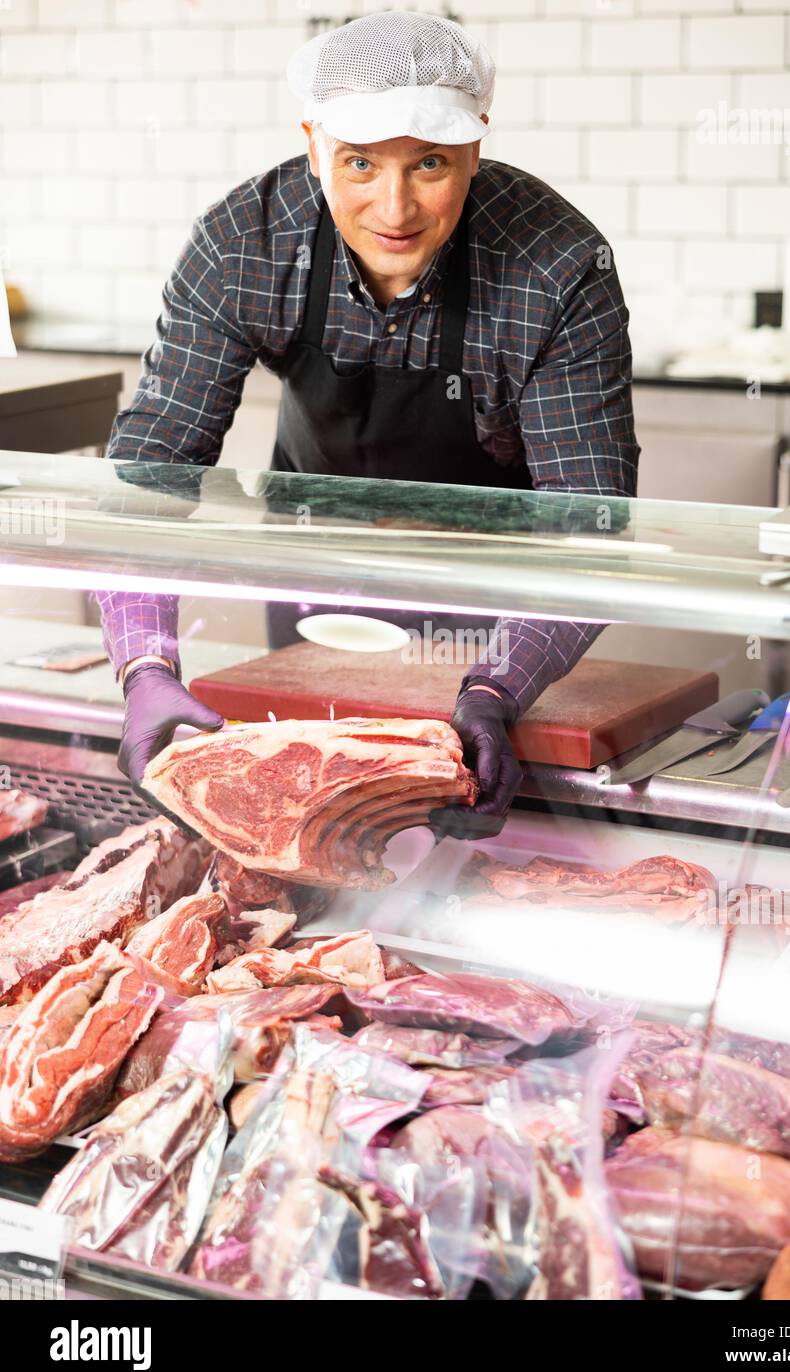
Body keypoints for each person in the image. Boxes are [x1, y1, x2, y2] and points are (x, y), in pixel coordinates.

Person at [100, 10, 640, 840]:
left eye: (429, 163)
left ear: (476, 148)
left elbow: (591, 522)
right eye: (359, 163)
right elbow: (152, 470)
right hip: (316, 568)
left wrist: (497, 689)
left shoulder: (557, 265)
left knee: (481, 831)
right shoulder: (242, 244)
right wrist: (144, 662)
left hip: (501, 594)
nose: (396, 208)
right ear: (314, 144)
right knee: (324, 819)